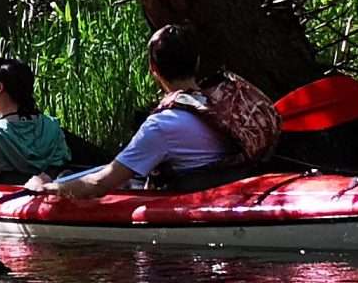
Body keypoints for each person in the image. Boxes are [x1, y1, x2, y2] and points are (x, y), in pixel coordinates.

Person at [29, 22, 236, 201]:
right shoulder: (225, 106)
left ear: (153, 69)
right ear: (197, 62)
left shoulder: (161, 126)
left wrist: (52, 188)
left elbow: (100, 184)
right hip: (223, 189)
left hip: (193, 200)